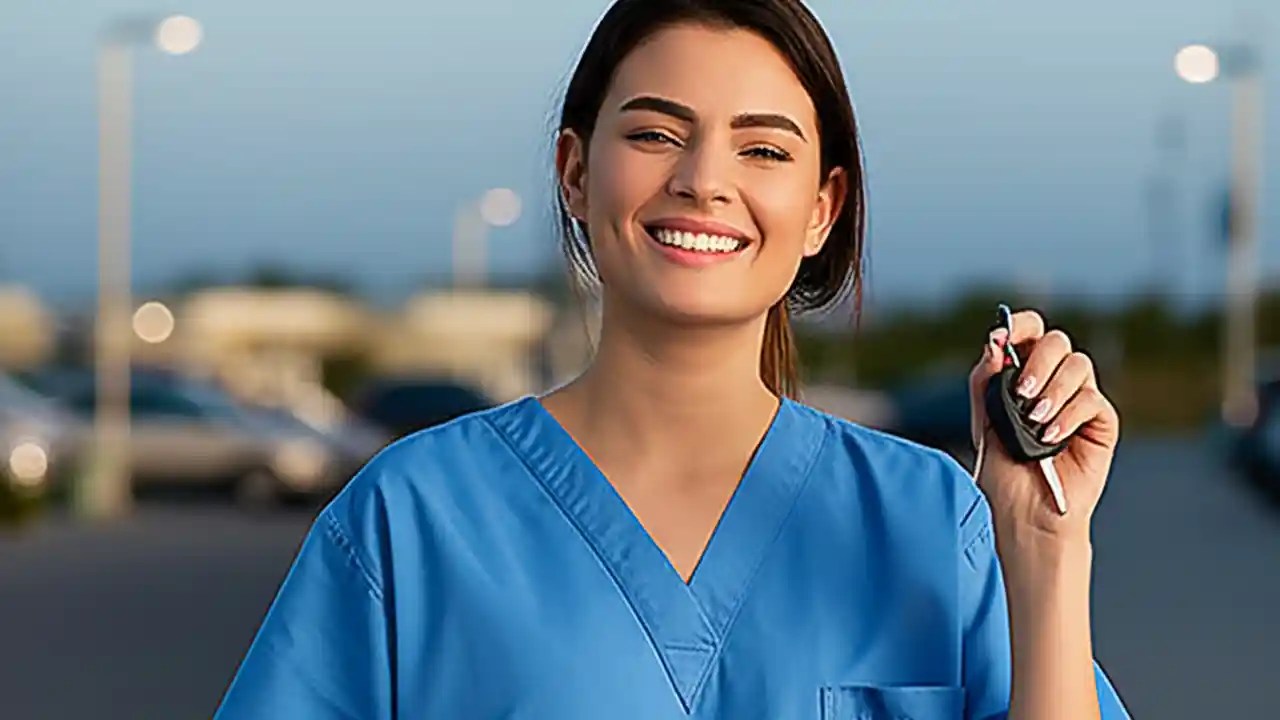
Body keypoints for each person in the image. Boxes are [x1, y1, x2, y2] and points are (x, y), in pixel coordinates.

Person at [213, 1, 1131, 717]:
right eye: (655, 133)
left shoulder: (936, 523)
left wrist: (1047, 547)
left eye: (764, 147)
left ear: (822, 208)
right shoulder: (411, 521)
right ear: (575, 171)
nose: (703, 179)